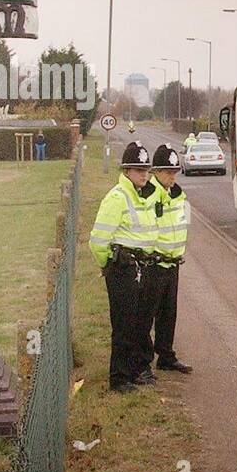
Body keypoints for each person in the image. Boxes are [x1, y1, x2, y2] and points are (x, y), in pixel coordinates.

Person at [88, 141, 160, 392]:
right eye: (138, 169)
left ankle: (136, 371)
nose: (144, 174)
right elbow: (97, 240)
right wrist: (109, 265)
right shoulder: (117, 198)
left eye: (146, 169)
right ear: (126, 171)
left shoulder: (143, 196)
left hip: (143, 267)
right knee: (124, 324)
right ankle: (119, 378)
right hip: (124, 268)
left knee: (140, 323)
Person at [143, 144, 193, 374]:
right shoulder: (148, 194)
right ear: (155, 172)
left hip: (172, 263)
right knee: (146, 315)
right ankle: (143, 361)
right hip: (153, 263)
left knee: (168, 313)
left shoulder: (177, 194)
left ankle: (166, 356)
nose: (172, 176)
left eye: (174, 172)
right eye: (167, 172)